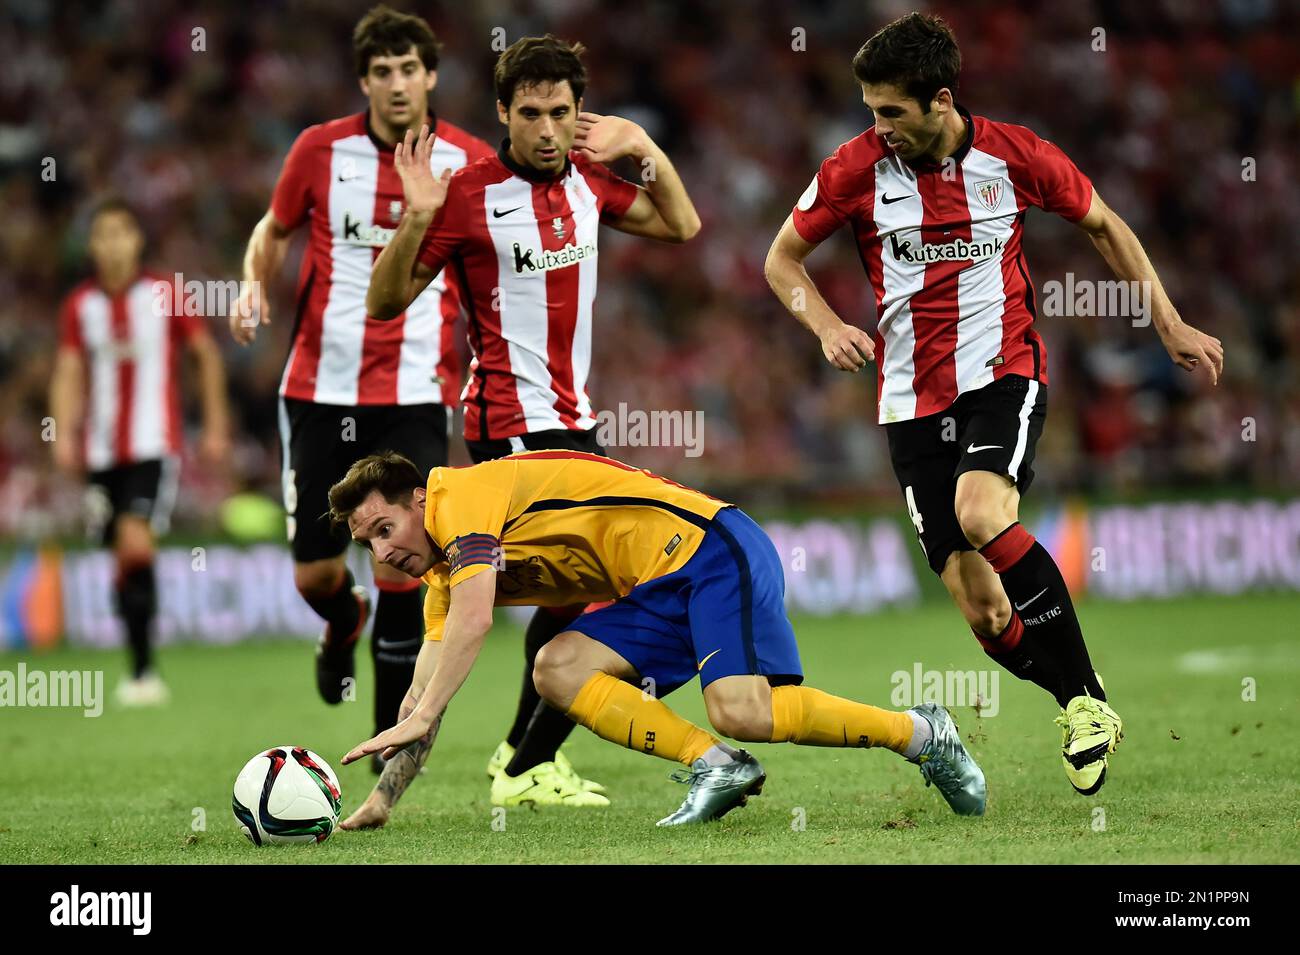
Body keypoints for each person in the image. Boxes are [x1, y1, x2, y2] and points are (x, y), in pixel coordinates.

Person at [764, 13, 1224, 795]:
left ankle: (1083, 702)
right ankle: (1082, 696)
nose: (878, 128)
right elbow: (782, 260)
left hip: (1001, 373)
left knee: (982, 510)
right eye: (870, 112)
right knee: (983, 611)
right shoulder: (853, 170)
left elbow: (1105, 227)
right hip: (909, 398)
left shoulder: (1017, 156)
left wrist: (1169, 320)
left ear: (940, 100)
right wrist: (827, 324)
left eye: (891, 113)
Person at [362, 34, 701, 812]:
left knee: (573, 596)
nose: (546, 130)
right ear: (502, 114)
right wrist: (414, 220)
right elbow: (384, 302)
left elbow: (680, 225)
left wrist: (644, 146)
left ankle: (519, 760)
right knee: (588, 591)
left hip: (575, 422)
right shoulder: (466, 195)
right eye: (529, 114)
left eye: (560, 113)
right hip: (510, 426)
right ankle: (520, 761)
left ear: (580, 114)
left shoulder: (590, 179)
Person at [331, 449, 986, 826]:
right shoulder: (442, 574)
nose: (382, 555)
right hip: (656, 585)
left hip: (709, 548)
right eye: (367, 544)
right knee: (556, 666)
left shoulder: (459, 498)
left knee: (743, 711)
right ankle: (716, 764)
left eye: (384, 529)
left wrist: (420, 713)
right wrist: (382, 798)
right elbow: (424, 693)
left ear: (418, 499)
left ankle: (922, 733)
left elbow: (473, 626)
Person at [228, 5, 492, 791]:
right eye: (382, 71)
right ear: (364, 81)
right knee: (316, 573)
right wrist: (249, 284)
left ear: (431, 75)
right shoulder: (318, 149)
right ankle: (341, 624)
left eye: (410, 68)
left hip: (415, 389)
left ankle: (386, 757)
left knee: (405, 568)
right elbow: (272, 231)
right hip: (318, 385)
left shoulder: (467, 159)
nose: (398, 83)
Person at [50, 197, 231, 704]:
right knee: (119, 555)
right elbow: (67, 369)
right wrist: (62, 433)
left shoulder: (165, 293)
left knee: (134, 541)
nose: (111, 245)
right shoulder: (79, 305)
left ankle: (145, 672)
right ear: (92, 245)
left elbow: (204, 352)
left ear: (136, 241)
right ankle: (138, 667)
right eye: (102, 235)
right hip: (100, 452)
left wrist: (215, 422)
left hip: (154, 445)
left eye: (121, 234)